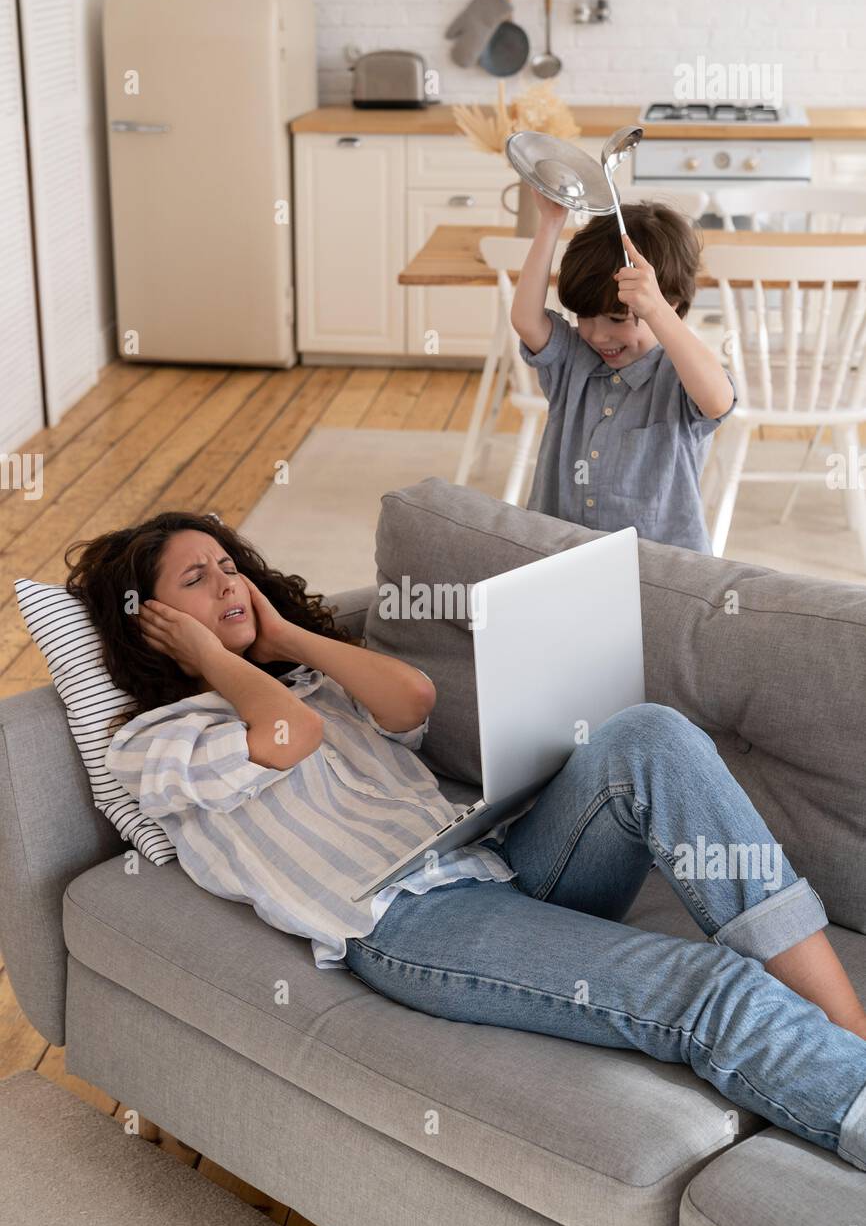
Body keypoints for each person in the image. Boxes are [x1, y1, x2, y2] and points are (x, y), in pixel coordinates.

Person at [65, 511, 866, 1173]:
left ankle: (847, 1029)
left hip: (494, 858)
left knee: (649, 737)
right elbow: (286, 735)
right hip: (412, 923)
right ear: (151, 624)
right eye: (194, 581)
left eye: (227, 565)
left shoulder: (311, 681)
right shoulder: (158, 739)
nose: (226, 583)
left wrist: (289, 640)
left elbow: (412, 697)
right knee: (706, 988)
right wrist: (209, 659)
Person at [510, 193, 737, 553]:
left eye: (617, 319)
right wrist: (551, 223)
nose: (598, 335)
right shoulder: (573, 361)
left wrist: (656, 310)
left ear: (669, 306)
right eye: (585, 317)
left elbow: (718, 401)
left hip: (662, 575)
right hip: (561, 558)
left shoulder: (679, 375)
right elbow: (525, 319)